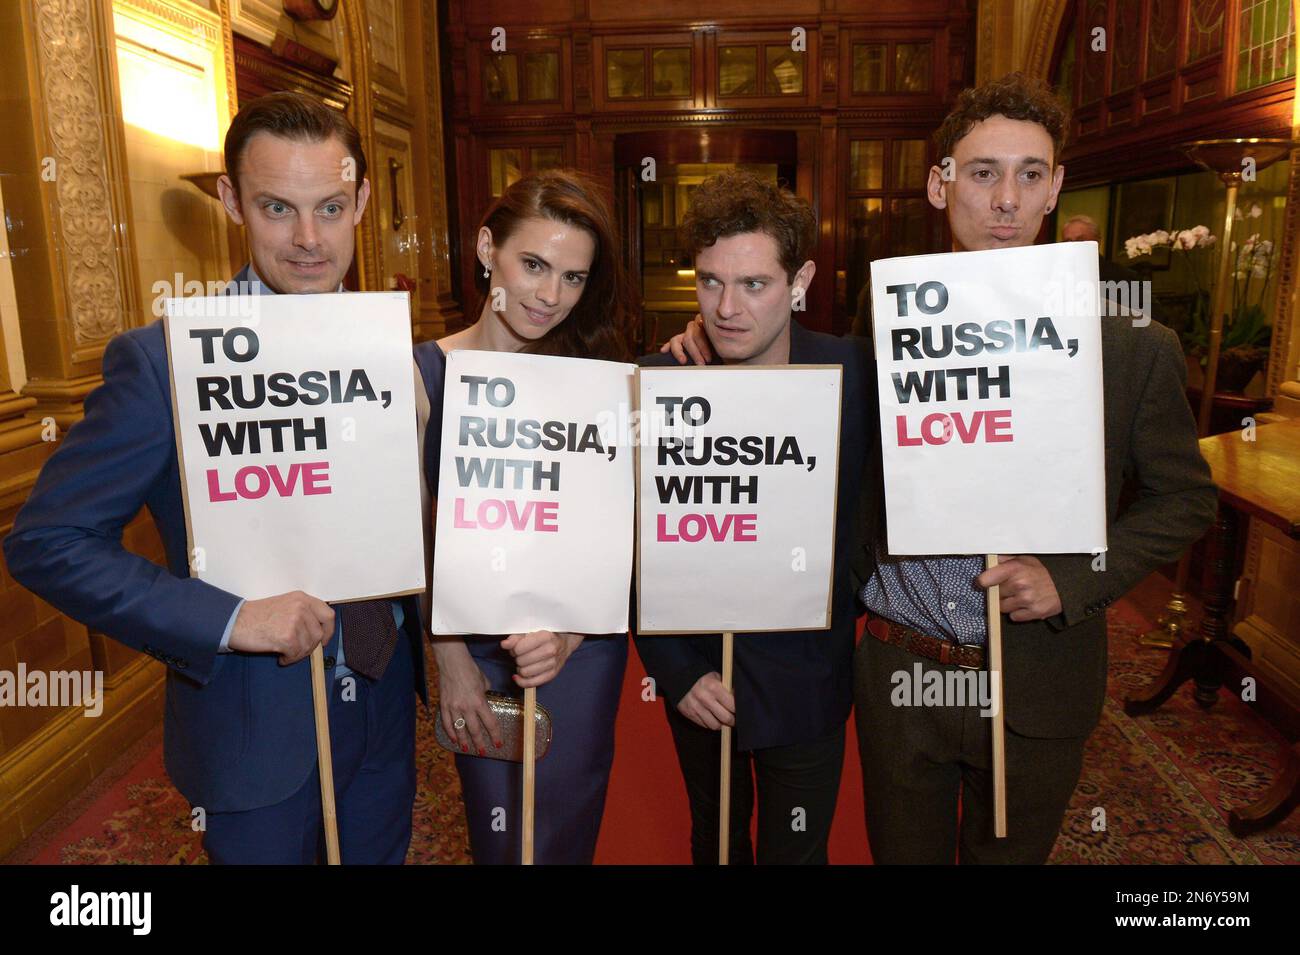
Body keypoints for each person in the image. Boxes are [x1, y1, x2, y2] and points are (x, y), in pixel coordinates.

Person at [665, 74, 1217, 864]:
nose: (1007, 199)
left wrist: (1075, 576)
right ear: (940, 183)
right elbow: (810, 378)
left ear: (1056, 185)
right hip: (902, 667)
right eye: (984, 172)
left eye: (1031, 174)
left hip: (1035, 676)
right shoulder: (888, 311)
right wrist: (715, 336)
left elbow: (1183, 500)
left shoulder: (1132, 341)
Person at [3, 91, 428, 864]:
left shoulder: (396, 351)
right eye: (276, 207)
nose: (307, 239)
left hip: (382, 703)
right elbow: (48, 540)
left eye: (330, 207)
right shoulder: (162, 361)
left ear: (363, 199)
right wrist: (234, 619)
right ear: (232, 199)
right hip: (253, 733)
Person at [637, 170, 870, 864]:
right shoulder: (660, 381)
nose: (727, 308)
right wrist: (676, 672)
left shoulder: (855, 371)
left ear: (799, 279)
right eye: (710, 282)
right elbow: (633, 547)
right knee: (715, 845)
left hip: (809, 676)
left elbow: (899, 497)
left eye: (754, 284)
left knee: (797, 851)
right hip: (703, 676)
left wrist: (843, 590)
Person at [415, 169, 635, 864]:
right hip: (475, 645)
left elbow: (619, 533)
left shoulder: (601, 379)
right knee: (501, 837)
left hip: (581, 648)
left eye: (573, 277)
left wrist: (570, 632)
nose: (549, 295)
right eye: (534, 264)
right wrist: (448, 658)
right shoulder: (420, 377)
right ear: (487, 248)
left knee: (564, 831)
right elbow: (412, 536)